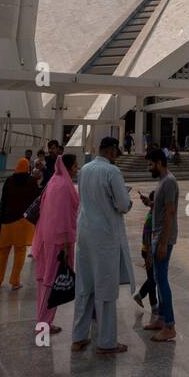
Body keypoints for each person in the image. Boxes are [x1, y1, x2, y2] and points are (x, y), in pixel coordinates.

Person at [70, 137, 134, 356]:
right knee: (105, 288)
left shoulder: (85, 170)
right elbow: (123, 204)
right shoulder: (112, 172)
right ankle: (106, 342)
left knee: (84, 286)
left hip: (85, 233)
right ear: (111, 150)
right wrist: (128, 200)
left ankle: (78, 337)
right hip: (104, 236)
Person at [32, 154, 78, 337]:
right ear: (67, 167)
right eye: (75, 166)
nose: (76, 170)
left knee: (44, 280)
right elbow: (64, 218)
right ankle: (43, 325)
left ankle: (43, 321)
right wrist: (67, 245)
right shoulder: (65, 187)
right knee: (52, 281)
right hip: (58, 241)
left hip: (46, 237)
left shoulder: (53, 181)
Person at [141, 147, 178, 343]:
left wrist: (163, 243)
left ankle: (170, 326)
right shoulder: (162, 181)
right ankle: (162, 319)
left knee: (162, 280)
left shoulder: (169, 182)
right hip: (157, 234)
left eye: (150, 164)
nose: (149, 168)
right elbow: (163, 208)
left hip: (164, 237)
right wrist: (151, 204)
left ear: (159, 163)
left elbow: (171, 213)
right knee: (157, 277)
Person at [0, 158, 38, 289]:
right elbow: (35, 201)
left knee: (3, 253)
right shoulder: (31, 182)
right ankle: (15, 282)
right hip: (22, 222)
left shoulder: (9, 181)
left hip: (6, 221)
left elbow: (2, 203)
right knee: (20, 252)